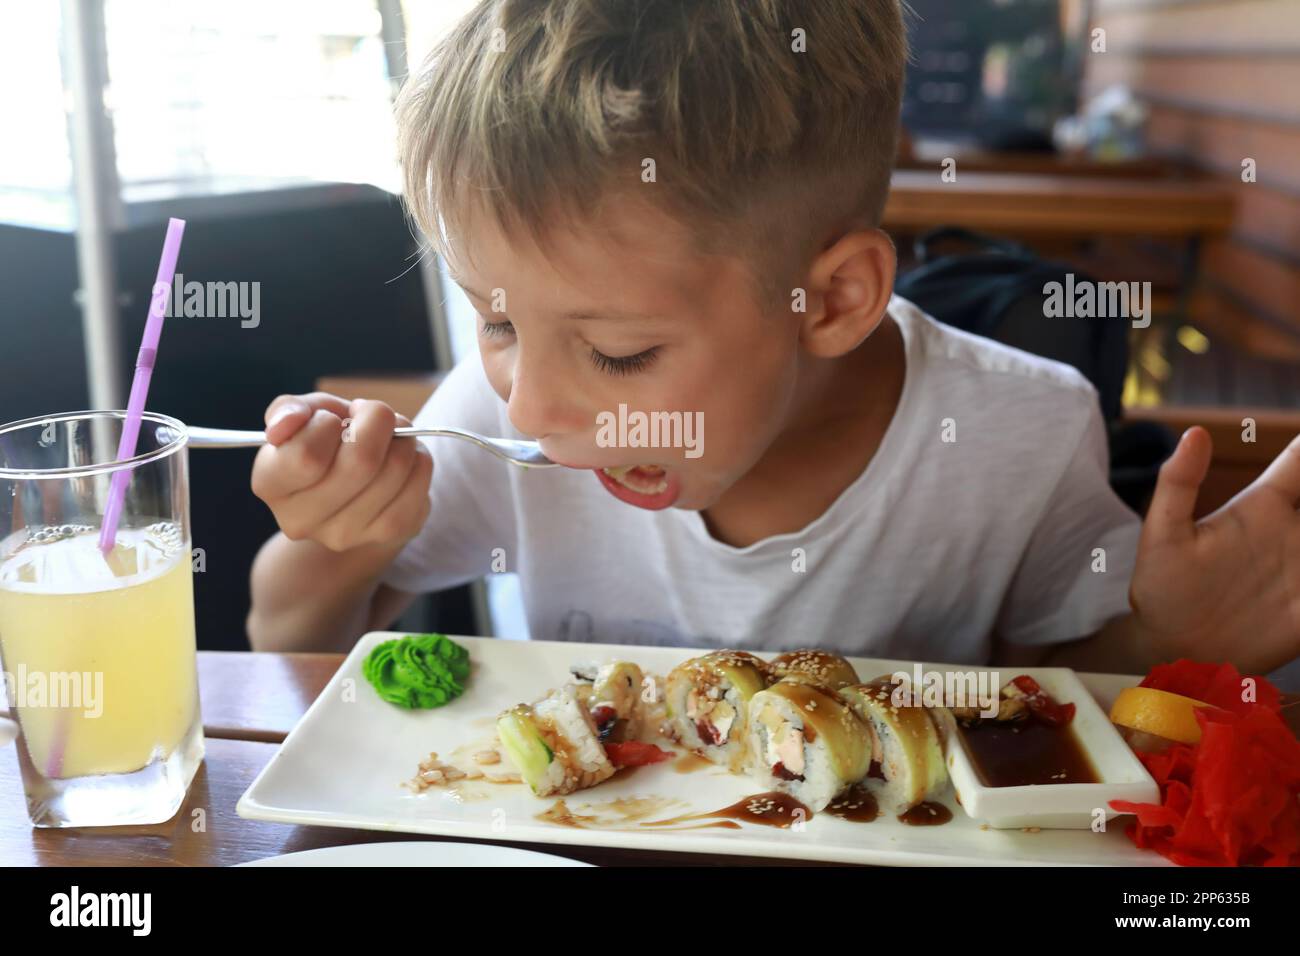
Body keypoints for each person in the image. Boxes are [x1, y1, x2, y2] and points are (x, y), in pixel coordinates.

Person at [246, 0, 1300, 683]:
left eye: (617, 354)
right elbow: (284, 636)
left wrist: (1170, 637)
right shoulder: (498, 414)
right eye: (497, 319)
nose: (534, 413)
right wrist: (336, 531)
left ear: (833, 297)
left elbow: (1053, 687)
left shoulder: (1017, 430)